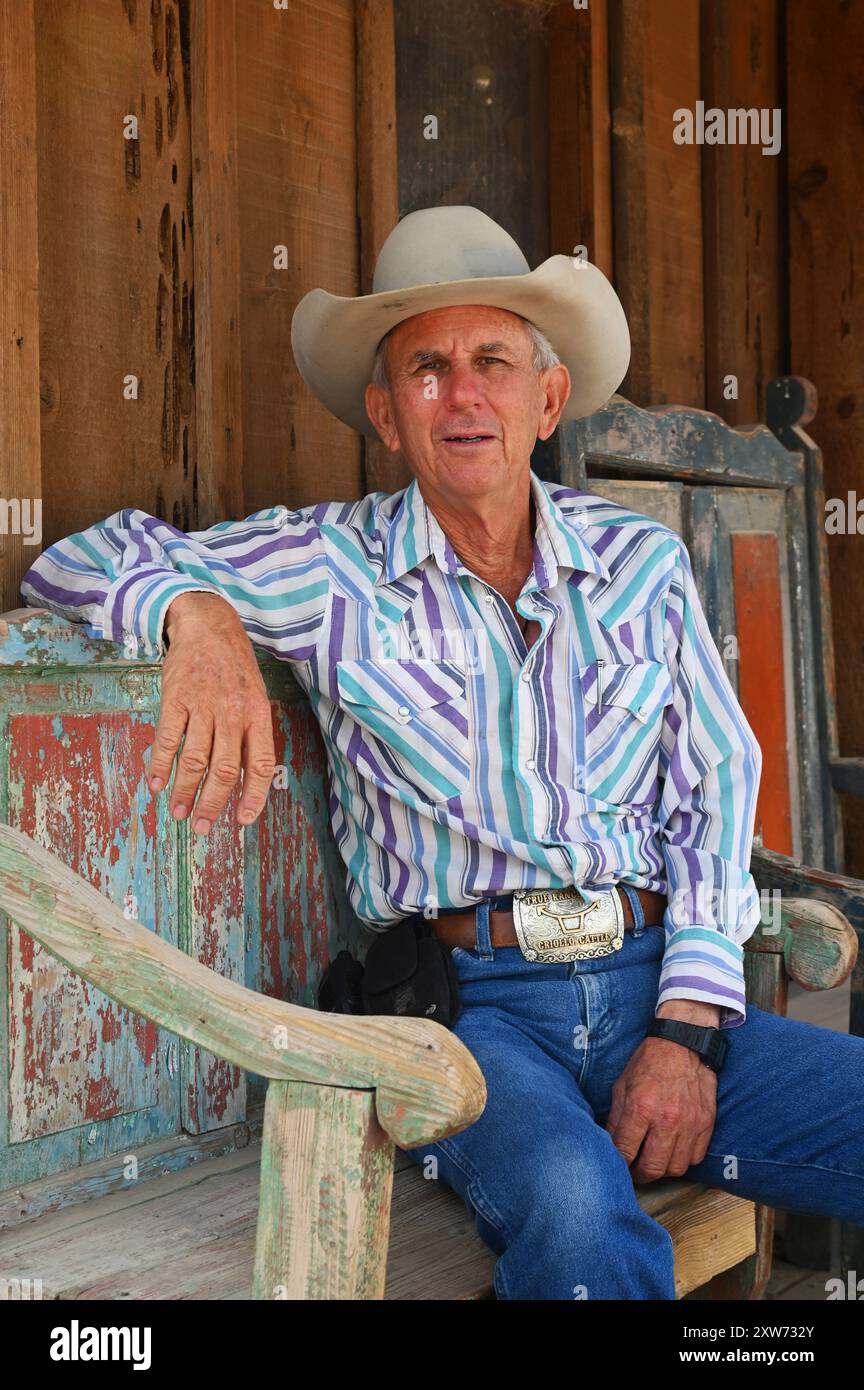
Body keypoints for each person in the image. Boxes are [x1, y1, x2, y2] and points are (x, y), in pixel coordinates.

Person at [21, 206, 864, 1299]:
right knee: (577, 1220)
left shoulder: (641, 566)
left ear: (546, 398)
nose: (462, 394)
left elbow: (715, 792)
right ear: (385, 411)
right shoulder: (332, 568)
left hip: (660, 983)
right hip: (470, 1018)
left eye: (493, 362)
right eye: (427, 368)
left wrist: (688, 1032)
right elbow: (79, 560)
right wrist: (198, 610)